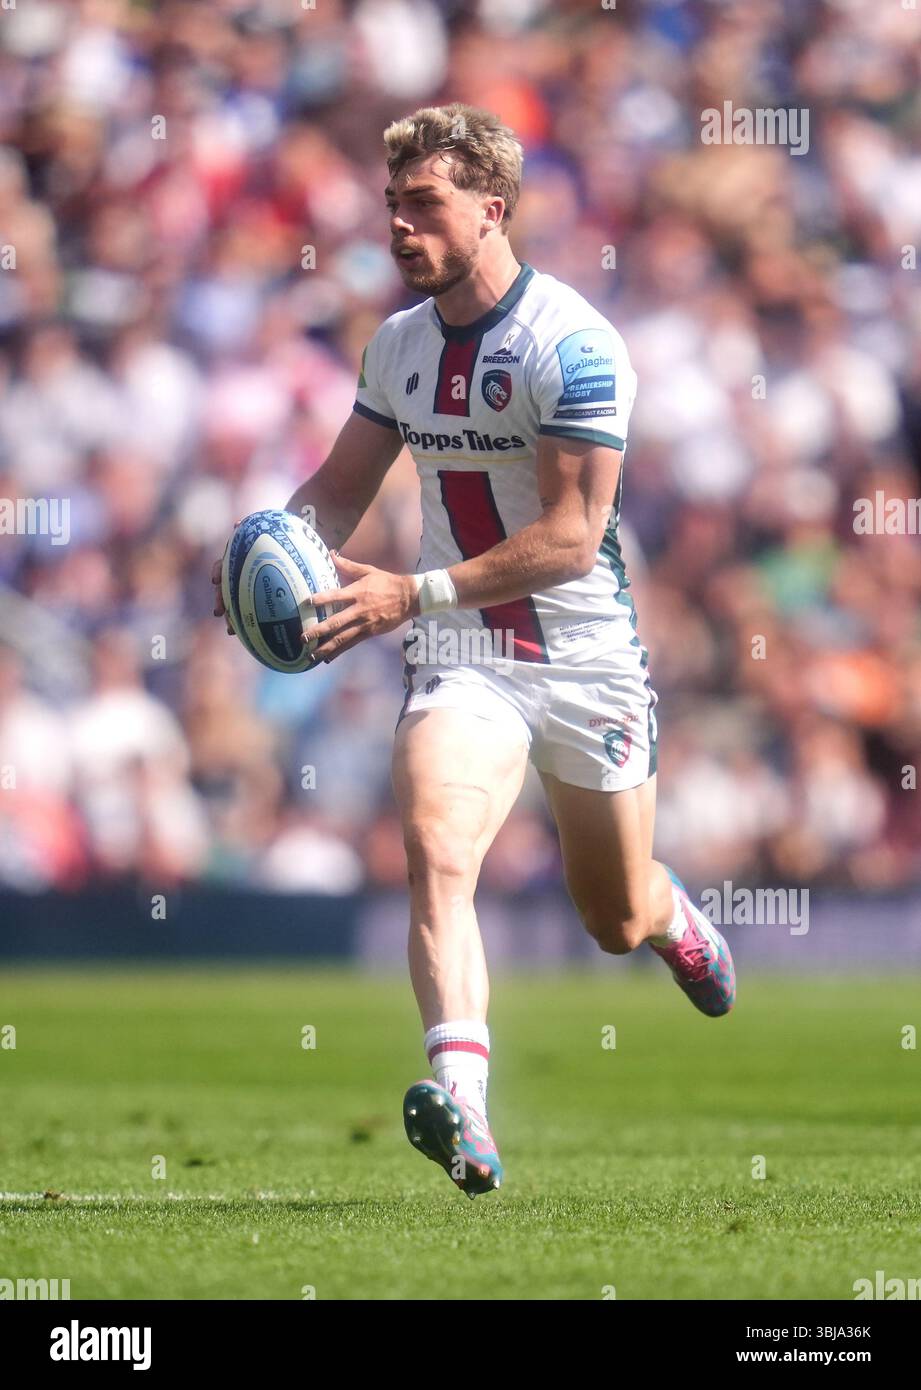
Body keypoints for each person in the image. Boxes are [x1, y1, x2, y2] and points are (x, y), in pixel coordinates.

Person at [213, 103, 735, 1199]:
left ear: (491, 210)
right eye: (392, 206)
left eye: (425, 205)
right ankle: (468, 1106)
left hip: (584, 655)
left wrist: (412, 589)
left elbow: (569, 539)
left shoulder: (576, 342)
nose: (401, 227)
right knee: (439, 847)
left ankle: (667, 913)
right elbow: (336, 495)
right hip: (463, 653)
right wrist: (271, 556)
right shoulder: (396, 345)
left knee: (612, 916)